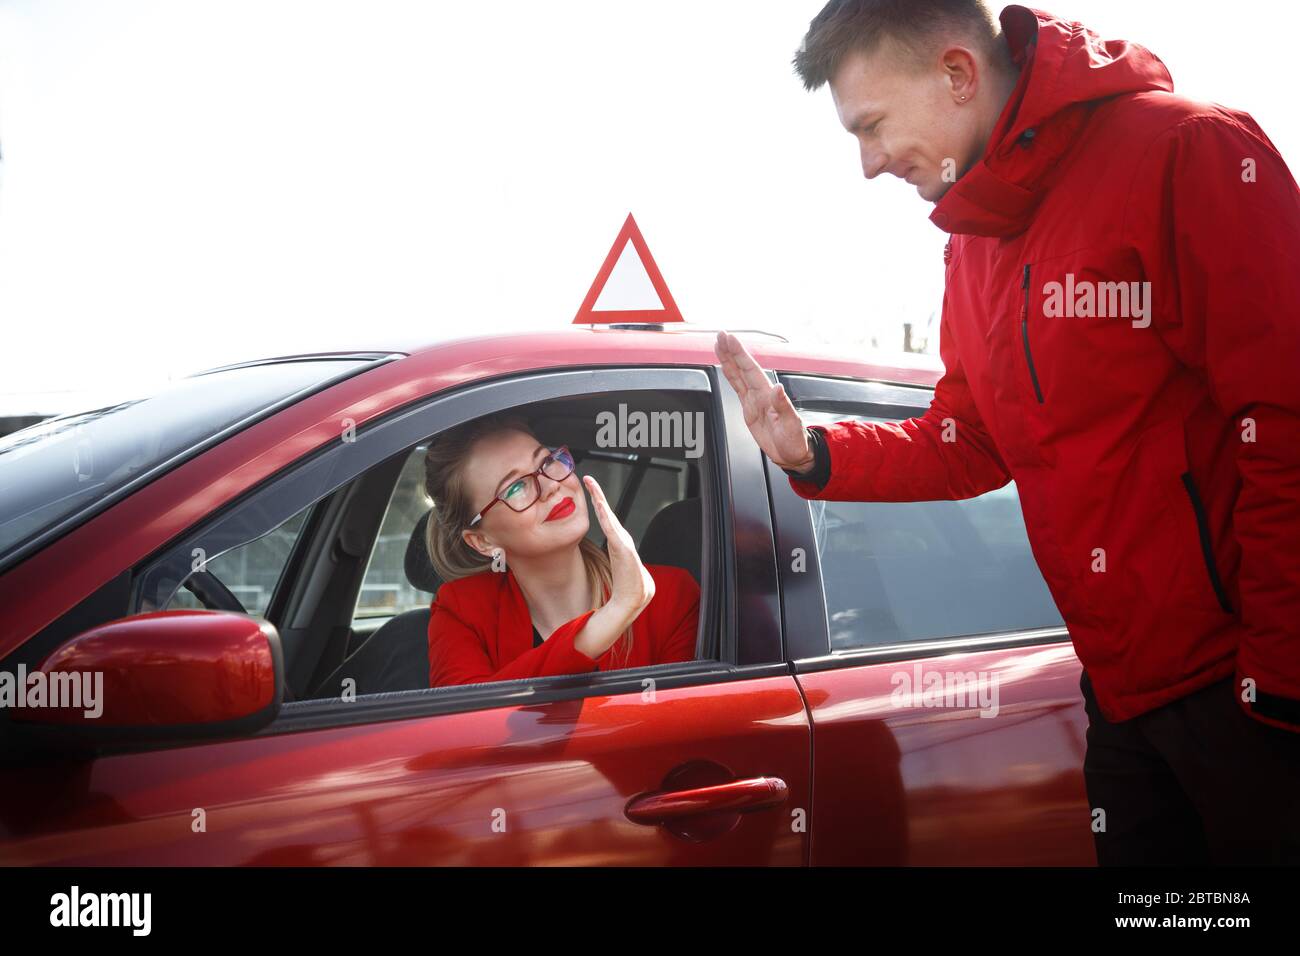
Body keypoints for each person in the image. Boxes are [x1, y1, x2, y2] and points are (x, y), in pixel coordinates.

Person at [715, 0, 1300, 864]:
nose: (869, 164)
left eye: (871, 127)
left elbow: (1284, 416)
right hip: (1122, 702)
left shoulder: (1188, 151)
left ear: (956, 74)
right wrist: (815, 452)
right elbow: (969, 441)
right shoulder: (972, 242)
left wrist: (1282, 684)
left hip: (1249, 698)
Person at [422, 412, 699, 688]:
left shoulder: (672, 595)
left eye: (547, 462)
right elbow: (465, 726)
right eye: (516, 486)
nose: (551, 485)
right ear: (482, 541)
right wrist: (611, 617)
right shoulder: (461, 609)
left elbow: (679, 725)